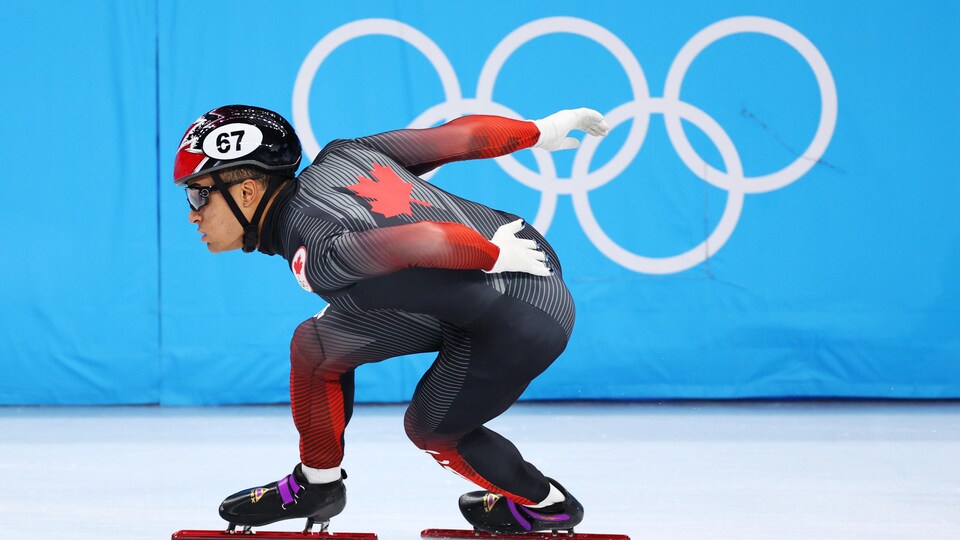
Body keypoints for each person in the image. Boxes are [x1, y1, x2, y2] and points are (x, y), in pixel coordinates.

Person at [173, 104, 609, 534]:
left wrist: (493, 256)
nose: (193, 213)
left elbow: (424, 241)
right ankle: (317, 485)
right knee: (317, 346)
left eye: (198, 194)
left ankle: (547, 504)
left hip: (519, 314)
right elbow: (458, 137)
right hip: (510, 260)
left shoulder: (317, 252)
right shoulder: (344, 155)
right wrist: (541, 129)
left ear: (247, 192)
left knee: (432, 430)